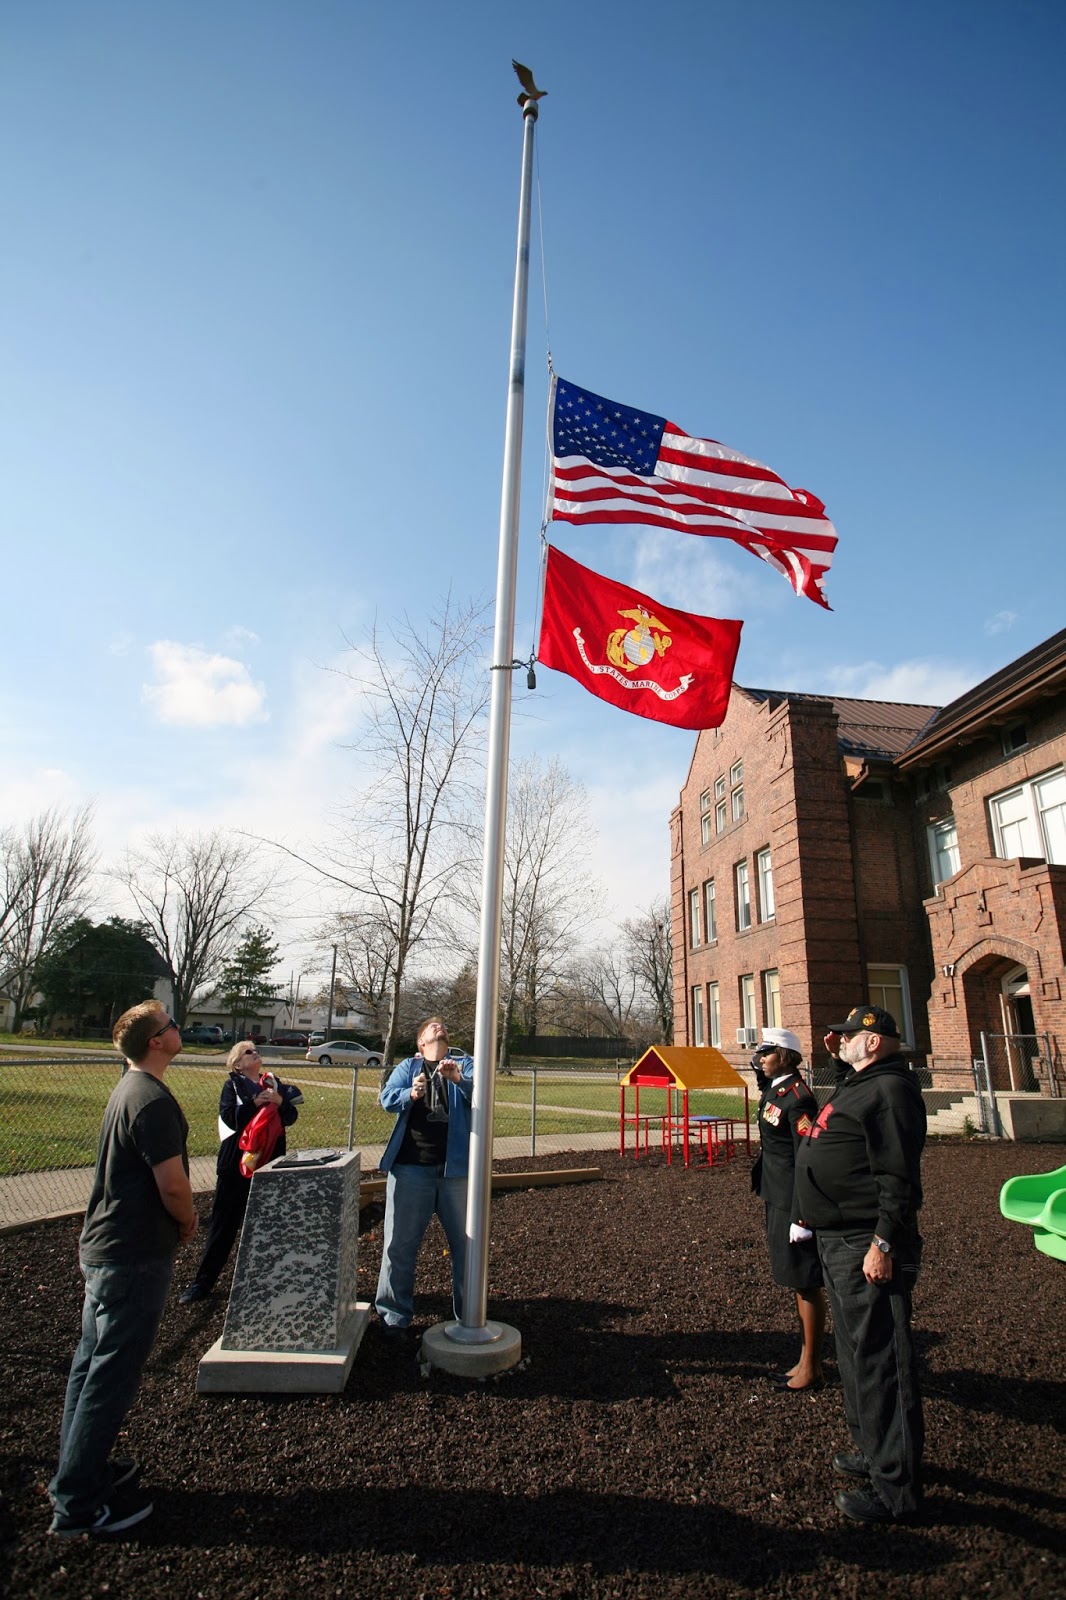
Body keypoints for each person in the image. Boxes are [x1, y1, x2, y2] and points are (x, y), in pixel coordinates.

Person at [48, 1001, 197, 1537]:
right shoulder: (151, 1100)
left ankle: (78, 1471)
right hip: (131, 1256)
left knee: (89, 1370)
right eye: (172, 1025)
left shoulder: (129, 1088)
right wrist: (187, 1221)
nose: (178, 1029)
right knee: (109, 1380)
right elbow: (174, 1185)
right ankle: (78, 1504)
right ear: (157, 1042)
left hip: (108, 1253)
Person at [794, 1004, 927, 1525]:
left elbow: (899, 1179)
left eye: (849, 1036)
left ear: (873, 1042)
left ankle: (897, 1490)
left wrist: (885, 1244)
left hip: (864, 1244)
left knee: (881, 1362)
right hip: (836, 1240)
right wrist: (841, 1055)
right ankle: (873, 1454)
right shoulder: (860, 1081)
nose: (839, 1042)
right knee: (853, 1354)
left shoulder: (892, 1091)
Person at [178, 1041, 303, 1305]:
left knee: (268, 1226)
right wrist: (254, 1103)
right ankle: (203, 1282)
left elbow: (290, 1117)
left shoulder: (273, 1083)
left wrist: (279, 1102)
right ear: (237, 1064)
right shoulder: (233, 1086)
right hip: (237, 1165)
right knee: (224, 1226)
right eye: (248, 1052)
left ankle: (267, 1281)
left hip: (269, 1165)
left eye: (255, 1049)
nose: (255, 1052)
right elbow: (230, 1117)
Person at [375, 1016, 473, 1339]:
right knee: (399, 1245)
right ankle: (394, 1317)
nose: (439, 1027)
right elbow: (387, 1099)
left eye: (443, 1024)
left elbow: (483, 1095)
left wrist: (458, 1079)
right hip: (410, 1170)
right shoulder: (408, 1067)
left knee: (466, 1247)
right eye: (432, 1026)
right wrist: (411, 1094)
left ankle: (469, 1315)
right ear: (421, 1042)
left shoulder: (464, 1063)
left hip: (454, 1172)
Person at [749, 1026, 826, 1392]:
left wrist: (802, 1216)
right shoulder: (778, 1089)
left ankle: (811, 1366)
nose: (760, 1058)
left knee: (805, 1281)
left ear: (784, 1055)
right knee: (794, 1280)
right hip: (776, 1195)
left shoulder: (799, 1098)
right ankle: (802, 1361)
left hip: (793, 1202)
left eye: (767, 1052)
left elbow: (806, 1159)